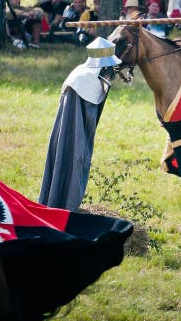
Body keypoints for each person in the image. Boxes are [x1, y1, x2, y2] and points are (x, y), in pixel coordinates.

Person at [39, 37, 120, 210]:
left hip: (72, 130)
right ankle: (64, 209)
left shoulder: (82, 72)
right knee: (73, 162)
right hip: (74, 132)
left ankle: (58, 206)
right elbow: (88, 113)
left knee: (68, 162)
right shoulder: (86, 79)